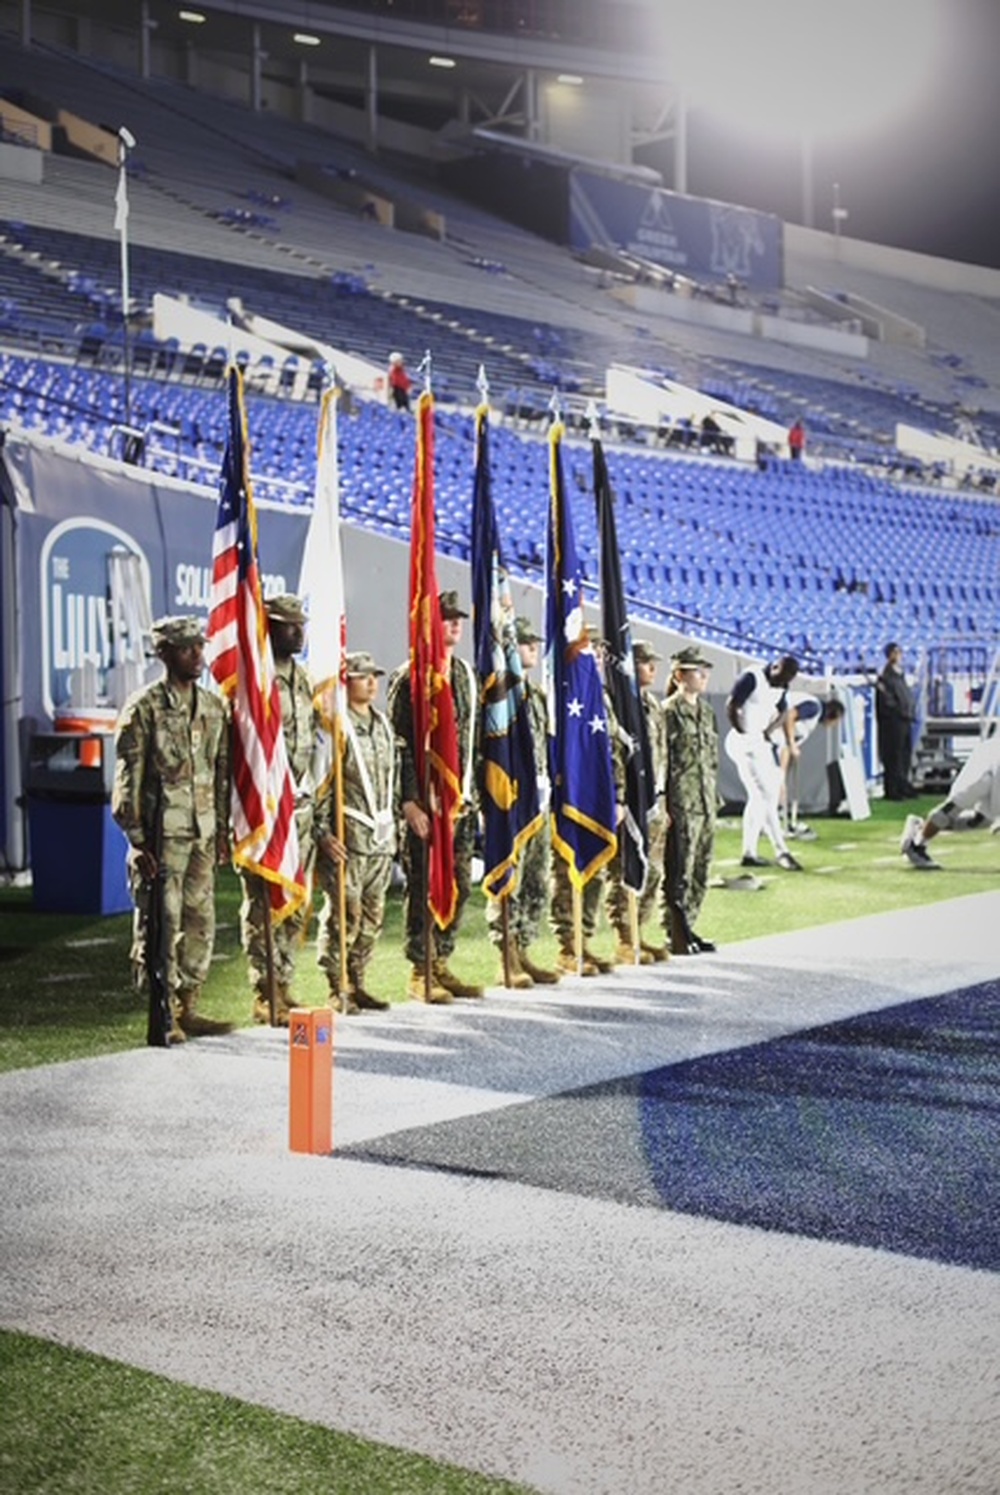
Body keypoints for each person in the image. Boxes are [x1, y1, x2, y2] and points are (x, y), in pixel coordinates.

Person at [112, 615, 232, 1042]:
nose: (197, 655)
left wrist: (220, 834)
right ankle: (162, 1012)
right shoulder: (143, 707)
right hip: (161, 838)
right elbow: (129, 777)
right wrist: (136, 840)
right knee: (162, 922)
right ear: (164, 654)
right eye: (186, 648)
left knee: (201, 921)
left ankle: (189, 1006)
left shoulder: (214, 708)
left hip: (201, 832)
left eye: (199, 647)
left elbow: (221, 775)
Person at [389, 589, 483, 1003]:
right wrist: (409, 801)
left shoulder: (463, 674)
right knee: (424, 882)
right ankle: (419, 967)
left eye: (458, 618)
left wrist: (474, 791)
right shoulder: (409, 677)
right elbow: (401, 746)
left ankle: (442, 961)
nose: (455, 624)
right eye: (447, 618)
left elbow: (470, 740)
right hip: (425, 804)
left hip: (459, 802)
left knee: (459, 880)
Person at [241, 595, 319, 1026]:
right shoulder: (255, 680)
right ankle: (264, 989)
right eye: (289, 625)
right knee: (262, 904)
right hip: (266, 811)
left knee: (294, 899)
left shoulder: (303, 680)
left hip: (300, 810)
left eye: (301, 625)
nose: (299, 632)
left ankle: (284, 983)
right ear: (269, 627)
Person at [314, 652, 396, 1012]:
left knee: (373, 915)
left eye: (374, 676)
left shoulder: (382, 723)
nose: (372, 682)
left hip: (378, 837)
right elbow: (322, 784)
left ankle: (358, 980)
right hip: (348, 838)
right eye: (363, 676)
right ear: (347, 681)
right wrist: (323, 833)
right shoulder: (336, 725)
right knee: (344, 914)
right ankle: (337, 986)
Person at [485, 617, 561, 988]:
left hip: (539, 800)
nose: (533, 649)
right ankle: (506, 955)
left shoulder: (539, 698)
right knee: (510, 876)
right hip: (512, 799)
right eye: (526, 644)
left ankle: (525, 947)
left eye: (534, 644)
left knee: (536, 879)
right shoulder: (502, 695)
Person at [605, 639, 670, 964]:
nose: (652, 668)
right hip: (631, 801)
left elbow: (662, 754)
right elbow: (618, 752)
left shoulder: (654, 705)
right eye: (645, 662)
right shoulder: (621, 704)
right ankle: (624, 938)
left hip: (654, 800)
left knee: (652, 870)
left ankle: (640, 932)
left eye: (652, 662)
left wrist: (663, 796)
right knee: (625, 869)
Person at [664, 645, 719, 955]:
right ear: (679, 675)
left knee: (701, 868)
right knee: (680, 870)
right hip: (682, 804)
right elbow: (664, 760)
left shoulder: (707, 712)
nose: (704, 676)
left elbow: (712, 760)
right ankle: (675, 931)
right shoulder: (669, 712)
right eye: (697, 671)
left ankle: (689, 927)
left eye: (705, 671)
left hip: (706, 801)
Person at [725, 654, 804, 872]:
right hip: (743, 742)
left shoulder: (782, 685)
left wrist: (767, 731)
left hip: (759, 741)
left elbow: (783, 710)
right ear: (776, 666)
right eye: (783, 676)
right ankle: (781, 851)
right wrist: (743, 731)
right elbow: (731, 705)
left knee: (764, 797)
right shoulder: (752, 677)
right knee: (763, 796)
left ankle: (750, 852)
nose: (784, 681)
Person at [900, 732, 1000, 870]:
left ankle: (920, 826)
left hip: (992, 759)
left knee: (982, 820)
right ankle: (917, 845)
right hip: (990, 762)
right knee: (954, 807)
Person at [767, 692, 846, 840]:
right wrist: (791, 743)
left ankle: (777, 819)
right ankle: (772, 821)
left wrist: (787, 757)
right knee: (775, 782)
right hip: (769, 736)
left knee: (779, 781)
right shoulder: (814, 707)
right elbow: (789, 715)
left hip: (777, 742)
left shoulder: (814, 716)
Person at [876, 642, 919, 800]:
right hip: (894, 722)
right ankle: (892, 789)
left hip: (905, 719)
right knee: (893, 755)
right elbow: (887, 701)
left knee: (904, 755)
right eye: (896, 652)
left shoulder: (899, 675)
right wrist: (899, 712)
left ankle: (902, 785)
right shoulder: (886, 677)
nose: (899, 655)